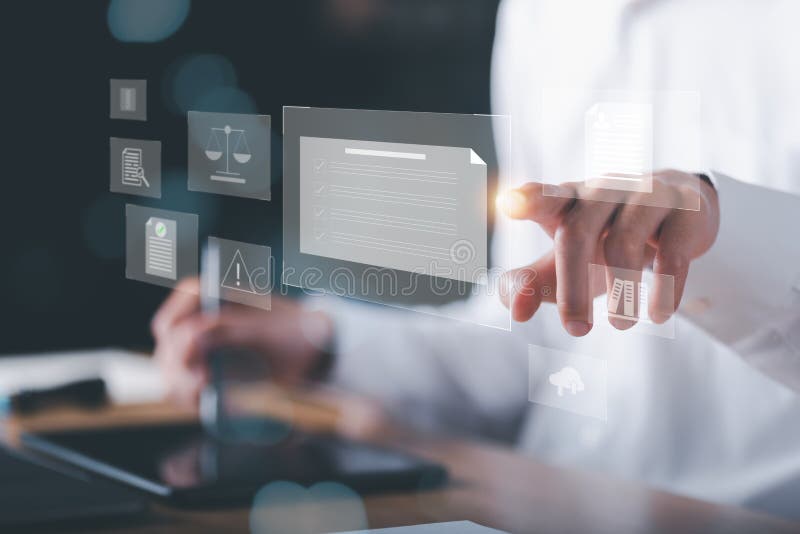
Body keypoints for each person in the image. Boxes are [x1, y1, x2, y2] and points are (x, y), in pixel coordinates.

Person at [151, 0, 800, 518]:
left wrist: (722, 231)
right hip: (535, 499)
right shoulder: (544, 13)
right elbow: (533, 335)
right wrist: (323, 341)